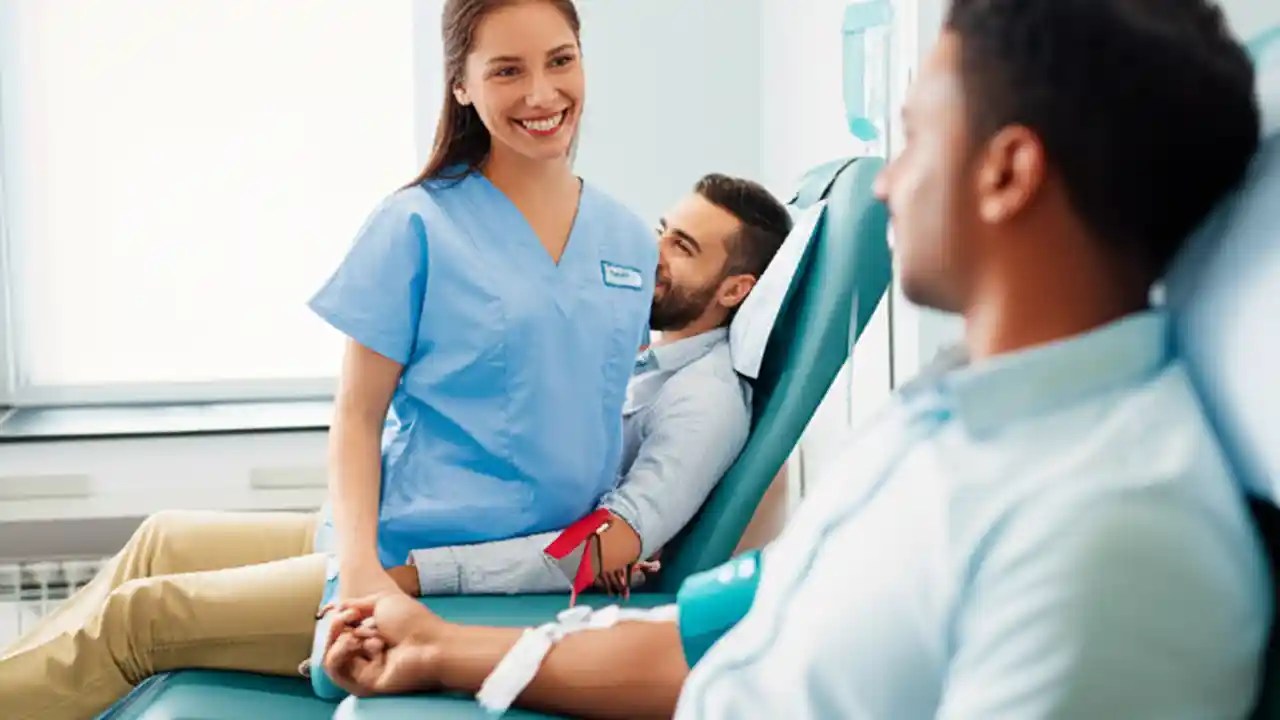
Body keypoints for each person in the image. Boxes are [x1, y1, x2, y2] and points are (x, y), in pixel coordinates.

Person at [321, 0, 1272, 718]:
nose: (887, 182)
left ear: (1008, 172)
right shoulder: (935, 424)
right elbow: (700, 652)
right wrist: (446, 651)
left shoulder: (1109, 538)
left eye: (912, 139)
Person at [0, 1, 662, 718]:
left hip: (463, 569)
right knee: (161, 538)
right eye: (508, 70)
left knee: (138, 619)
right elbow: (357, 415)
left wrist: (617, 538)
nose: (541, 93)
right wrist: (358, 571)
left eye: (560, 60)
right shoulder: (418, 223)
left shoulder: (626, 242)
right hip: (395, 538)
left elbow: (612, 414)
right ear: (462, 85)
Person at [381, 173, 792, 599]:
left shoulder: (706, 400)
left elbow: (608, 545)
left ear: (735, 290)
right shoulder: (641, 355)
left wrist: (419, 577)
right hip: (412, 515)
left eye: (682, 247)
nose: (653, 254)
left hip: (426, 556)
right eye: (661, 232)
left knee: (315, 594)